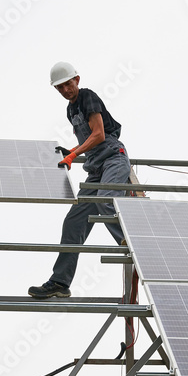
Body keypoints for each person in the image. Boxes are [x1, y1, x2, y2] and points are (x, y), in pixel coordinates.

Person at [28, 62, 129, 299]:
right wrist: (71, 150)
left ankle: (131, 244)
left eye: (67, 84)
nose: (65, 90)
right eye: (59, 88)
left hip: (113, 158)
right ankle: (60, 282)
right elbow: (90, 141)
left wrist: (74, 155)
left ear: (77, 80)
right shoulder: (70, 110)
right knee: (73, 222)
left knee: (106, 200)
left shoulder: (87, 97)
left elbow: (99, 134)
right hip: (95, 167)